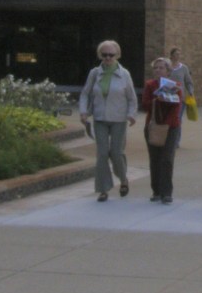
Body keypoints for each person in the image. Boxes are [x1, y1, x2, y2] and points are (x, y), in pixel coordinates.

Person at [78, 40, 137, 201]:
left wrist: (132, 114)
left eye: (111, 55)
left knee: (117, 153)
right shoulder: (94, 73)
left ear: (117, 55)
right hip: (100, 118)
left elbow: (132, 98)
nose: (108, 58)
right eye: (104, 55)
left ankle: (123, 179)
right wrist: (83, 112)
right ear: (100, 55)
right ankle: (103, 189)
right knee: (102, 153)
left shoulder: (124, 74)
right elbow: (85, 94)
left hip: (118, 119)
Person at [141, 57, 183, 204]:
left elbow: (176, 107)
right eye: (156, 68)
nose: (158, 70)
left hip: (170, 126)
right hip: (153, 126)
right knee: (155, 159)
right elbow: (145, 105)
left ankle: (166, 192)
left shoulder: (175, 86)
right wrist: (156, 99)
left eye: (161, 68)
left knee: (167, 159)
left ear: (168, 71)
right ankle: (156, 191)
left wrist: (166, 123)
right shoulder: (150, 85)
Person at [168, 46, 195, 127]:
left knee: (178, 119)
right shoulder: (167, 67)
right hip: (168, 97)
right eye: (176, 54)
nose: (178, 56)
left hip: (180, 98)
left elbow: (188, 82)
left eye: (179, 54)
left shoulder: (184, 68)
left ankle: (176, 138)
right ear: (172, 55)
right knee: (168, 118)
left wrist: (190, 91)